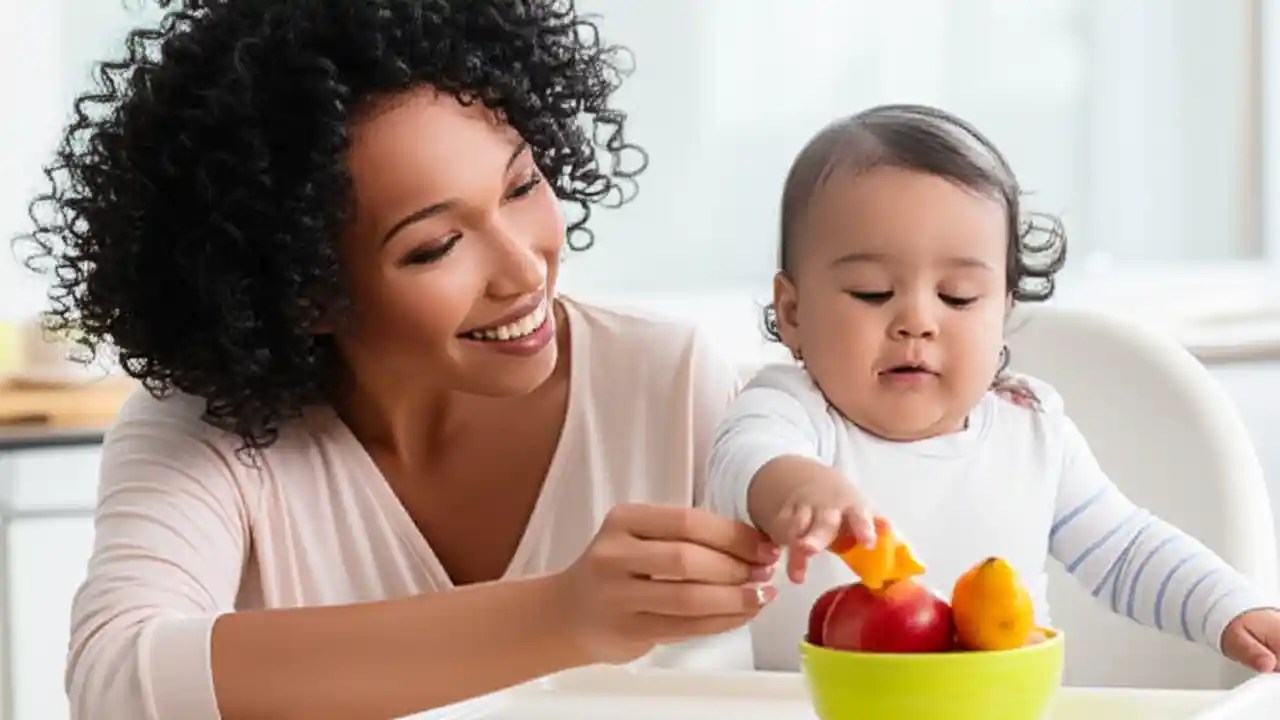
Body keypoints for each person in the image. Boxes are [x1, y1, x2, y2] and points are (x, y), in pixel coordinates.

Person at [17, 2, 778, 718]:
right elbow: (117, 678)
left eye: (522, 186)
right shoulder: (211, 430)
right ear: (307, 293)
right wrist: (563, 615)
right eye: (434, 246)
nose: (523, 271)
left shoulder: (665, 380)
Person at [703, 104, 1280, 672]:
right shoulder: (790, 410)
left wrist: (1229, 609)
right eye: (872, 291)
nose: (917, 321)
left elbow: (1126, 550)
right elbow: (745, 459)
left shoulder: (1031, 426)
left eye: (957, 296)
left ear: (1002, 310)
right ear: (795, 312)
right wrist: (800, 487)